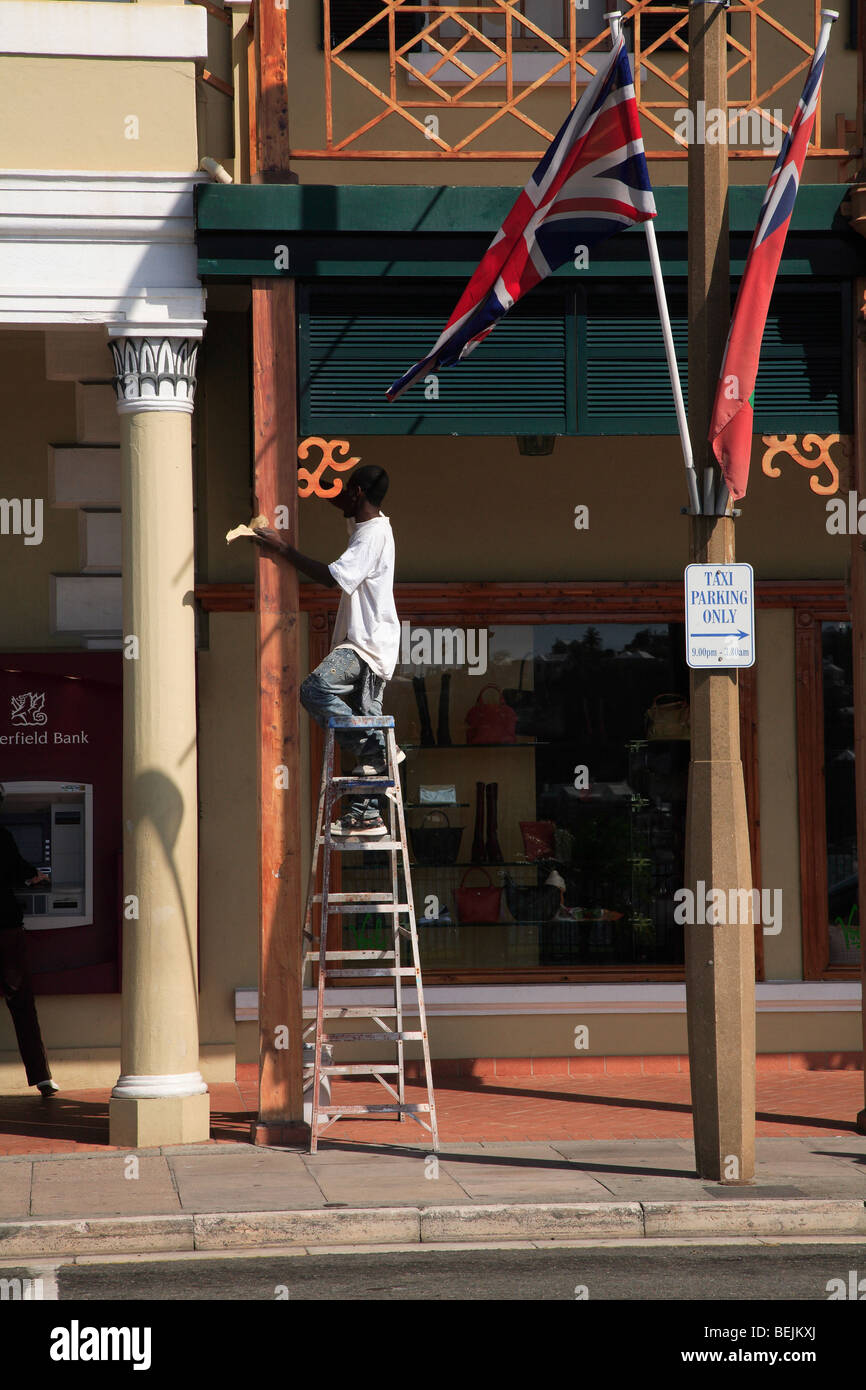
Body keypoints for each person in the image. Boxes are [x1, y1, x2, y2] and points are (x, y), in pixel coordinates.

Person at [250, 464, 402, 838]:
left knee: (314, 690)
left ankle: (376, 748)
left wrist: (280, 547)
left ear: (361, 492)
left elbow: (333, 576)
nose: (343, 498)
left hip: (364, 648)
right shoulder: (368, 523)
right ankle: (367, 816)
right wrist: (316, 484)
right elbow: (347, 506)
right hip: (373, 649)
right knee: (365, 746)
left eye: (348, 491)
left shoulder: (372, 536)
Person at [0, 787, 58, 1096]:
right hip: (6, 928)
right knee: (21, 1002)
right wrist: (36, 876)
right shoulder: (2, 836)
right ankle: (40, 1077)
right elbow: (17, 870)